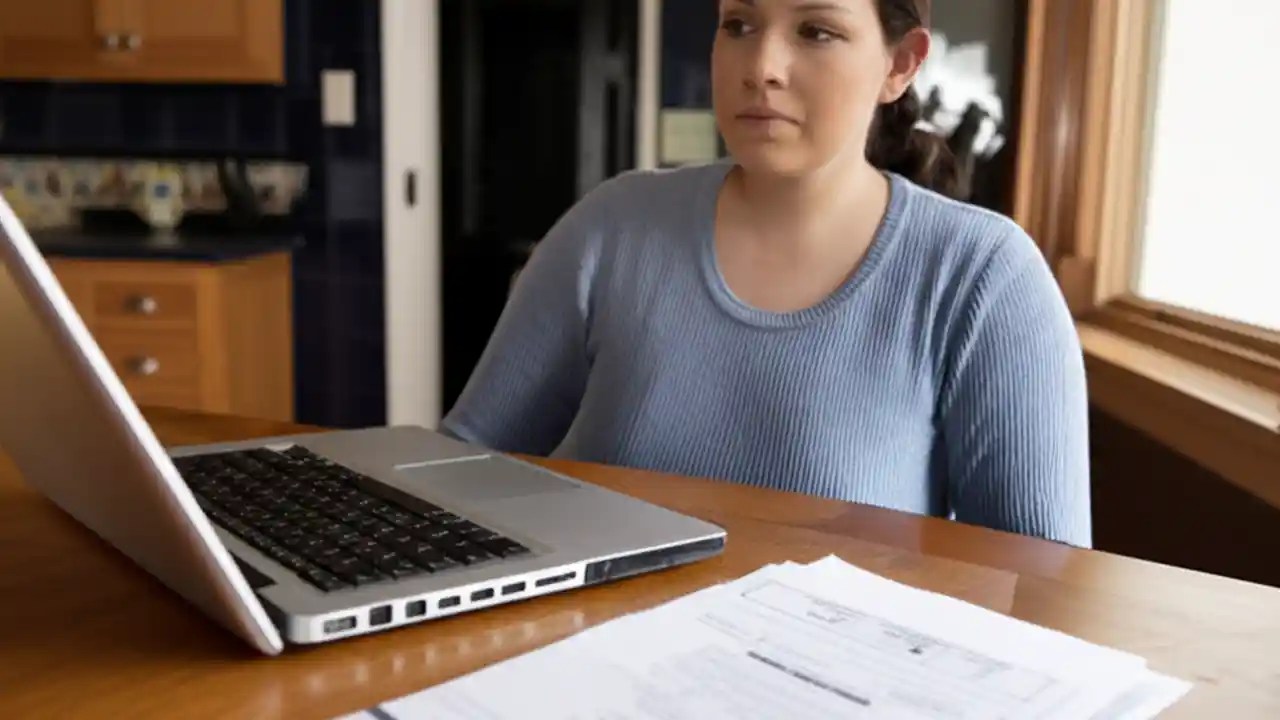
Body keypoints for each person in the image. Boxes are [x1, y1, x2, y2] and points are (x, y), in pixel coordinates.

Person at [440, 0, 1091, 547]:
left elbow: (1039, 591)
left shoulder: (984, 278)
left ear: (899, 65)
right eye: (739, 25)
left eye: (816, 31)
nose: (761, 68)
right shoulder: (612, 227)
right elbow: (458, 469)